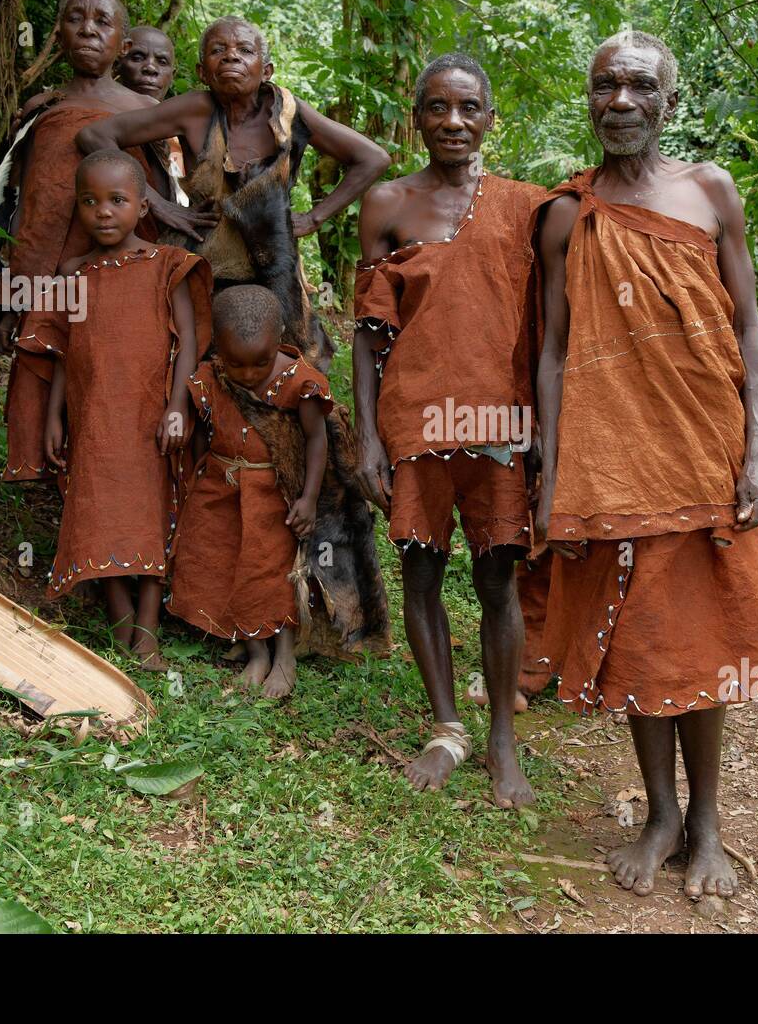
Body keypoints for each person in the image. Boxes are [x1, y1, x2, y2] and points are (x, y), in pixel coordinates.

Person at [536, 31, 758, 899]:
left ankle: (710, 823)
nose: (620, 101)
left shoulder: (709, 190)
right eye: (605, 85)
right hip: (614, 466)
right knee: (643, 642)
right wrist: (551, 468)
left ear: (667, 103)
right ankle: (661, 817)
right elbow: (555, 350)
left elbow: (749, 326)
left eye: (639, 87)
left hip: (705, 454)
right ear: (589, 99)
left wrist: (757, 455)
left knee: (704, 640)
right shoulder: (570, 215)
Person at [354, 54, 543, 809]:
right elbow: (372, 335)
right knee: (422, 572)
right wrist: (367, 437)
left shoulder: (529, 206)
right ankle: (446, 729)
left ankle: (502, 737)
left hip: (498, 420)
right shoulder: (387, 204)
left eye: (469, 108)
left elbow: (548, 326)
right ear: (417, 118)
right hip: (415, 421)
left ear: (491, 117)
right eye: (437, 108)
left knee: (497, 578)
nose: (453, 122)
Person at [78, 16, 389, 365]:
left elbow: (372, 158)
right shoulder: (195, 109)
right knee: (196, 366)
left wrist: (315, 217)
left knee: (284, 370)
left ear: (266, 69)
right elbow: (95, 137)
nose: (231, 57)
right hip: (203, 266)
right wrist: (158, 204)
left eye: (245, 50)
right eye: (218, 50)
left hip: (275, 269)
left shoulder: (289, 112)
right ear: (202, 71)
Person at [40, 149, 211, 667]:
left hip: (148, 417)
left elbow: (188, 343)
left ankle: (149, 632)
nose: (103, 212)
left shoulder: (166, 266)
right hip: (92, 419)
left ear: (143, 207)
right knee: (96, 509)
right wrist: (53, 415)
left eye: (117, 200)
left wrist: (178, 405)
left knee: (150, 513)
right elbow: (68, 353)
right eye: (89, 201)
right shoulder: (75, 273)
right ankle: (121, 624)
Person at [0, 0, 160, 482]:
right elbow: (21, 203)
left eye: (103, 22)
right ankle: (56, 486)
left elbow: (158, 200)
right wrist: (12, 293)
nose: (88, 30)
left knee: (108, 379)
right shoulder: (40, 106)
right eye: (75, 19)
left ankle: (102, 498)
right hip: (47, 278)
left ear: (122, 42)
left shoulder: (146, 110)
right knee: (50, 370)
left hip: (120, 280)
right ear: (59, 33)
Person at [167, 284, 333, 699]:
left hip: (271, 494)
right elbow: (204, 432)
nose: (248, 375)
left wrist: (308, 498)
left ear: (279, 339)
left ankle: (284, 655)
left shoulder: (301, 384)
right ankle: (255, 651)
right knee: (221, 563)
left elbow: (317, 440)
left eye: (259, 362)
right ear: (218, 349)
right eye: (235, 364)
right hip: (220, 489)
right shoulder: (212, 377)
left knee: (268, 571)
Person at [114, 25, 187, 190]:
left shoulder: (181, 134)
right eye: (138, 58)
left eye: (162, 62)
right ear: (117, 65)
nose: (150, 68)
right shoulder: (98, 121)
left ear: (172, 76)